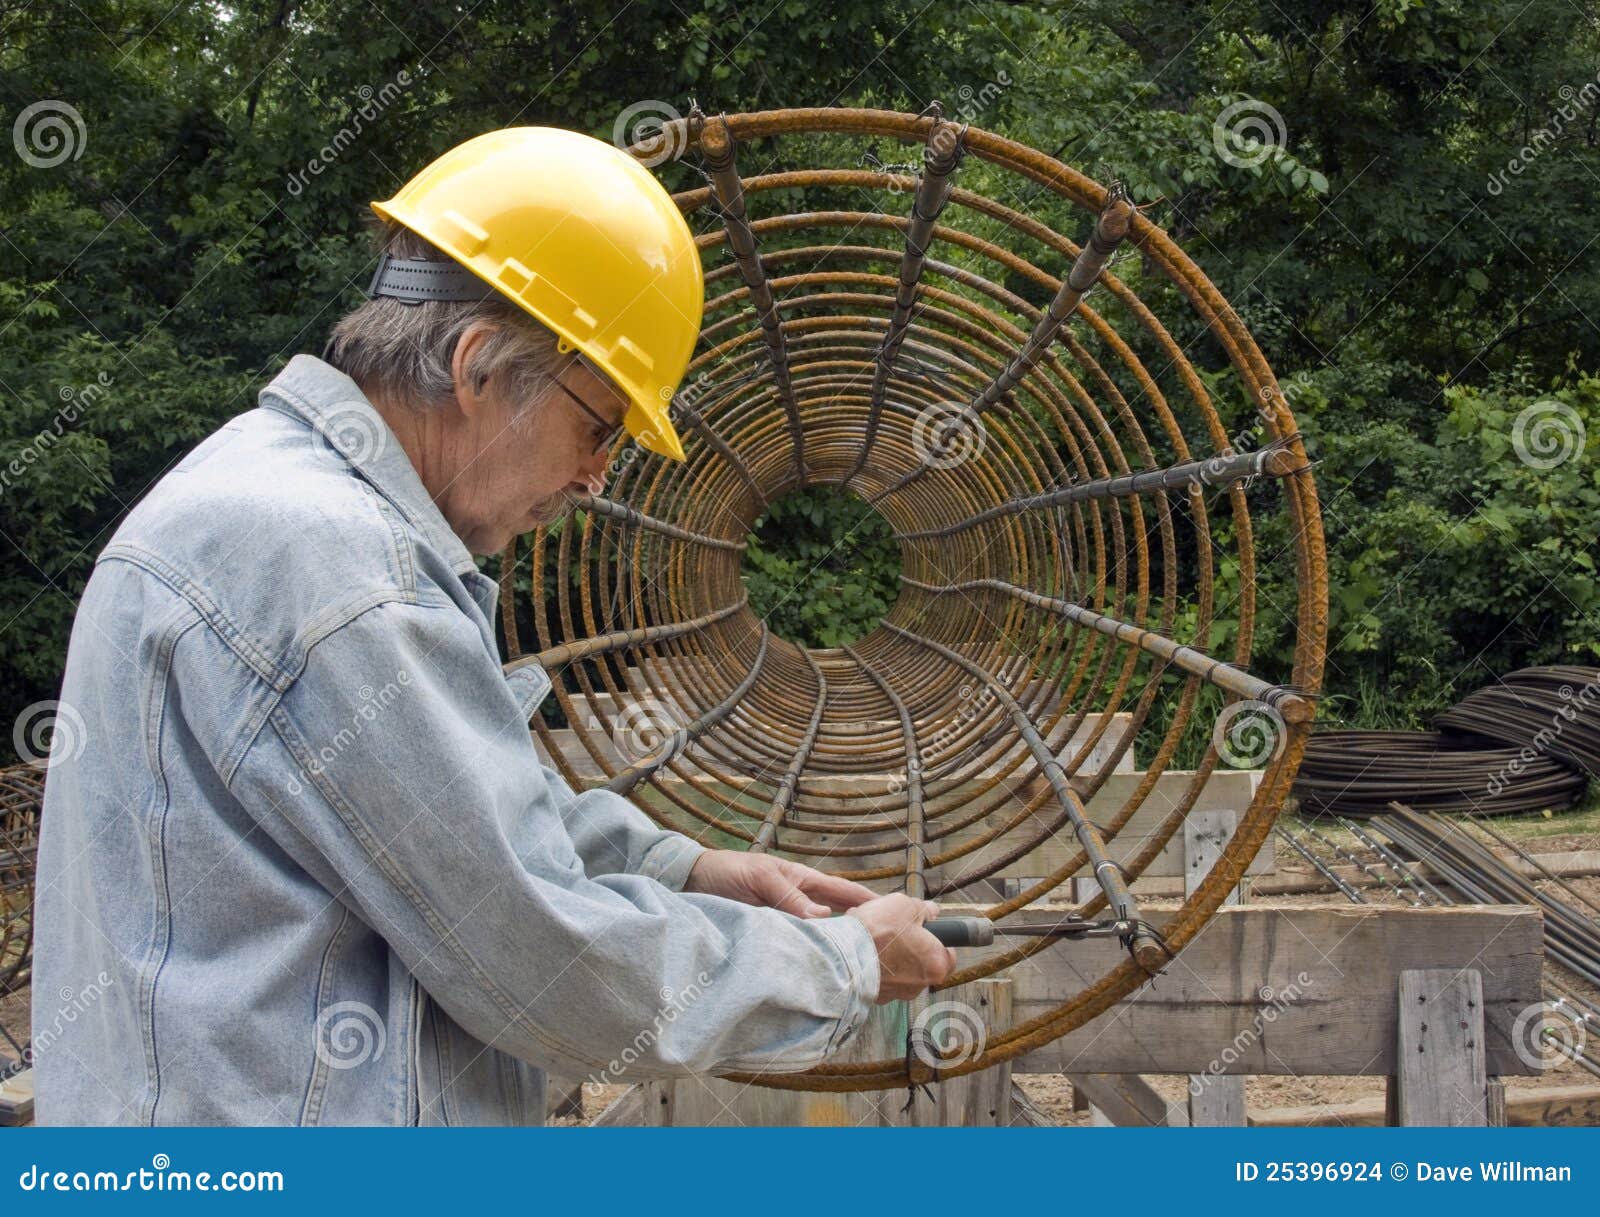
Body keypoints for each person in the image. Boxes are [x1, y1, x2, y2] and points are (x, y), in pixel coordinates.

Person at [31, 127, 954, 1125]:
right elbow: (543, 956)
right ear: (476, 367)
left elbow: (457, 814)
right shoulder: (343, 575)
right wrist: (841, 961)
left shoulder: (265, 497)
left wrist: (682, 867)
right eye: (599, 425)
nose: (597, 477)